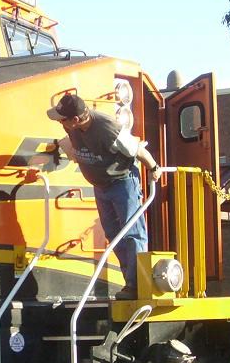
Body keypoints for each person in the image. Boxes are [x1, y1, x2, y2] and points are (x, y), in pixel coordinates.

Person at [48, 93, 162, 300]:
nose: (59, 121)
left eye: (62, 118)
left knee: (131, 232)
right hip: (100, 186)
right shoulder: (70, 127)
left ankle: (138, 285)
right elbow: (73, 146)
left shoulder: (107, 128)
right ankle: (130, 281)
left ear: (75, 120)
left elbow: (136, 150)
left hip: (122, 182)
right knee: (113, 232)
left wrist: (154, 168)